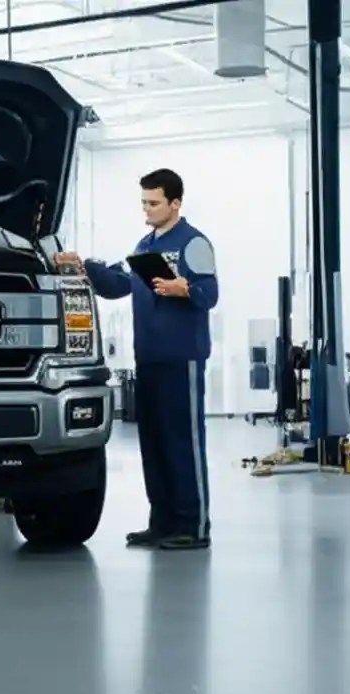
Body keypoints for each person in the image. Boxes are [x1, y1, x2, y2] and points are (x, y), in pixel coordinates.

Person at [56, 168, 218, 550]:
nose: (146, 209)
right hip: (149, 358)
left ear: (175, 203)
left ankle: (194, 527)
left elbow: (209, 294)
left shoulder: (194, 242)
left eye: (154, 203)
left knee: (183, 444)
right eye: (143, 202)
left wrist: (185, 288)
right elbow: (120, 286)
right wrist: (86, 268)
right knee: (155, 444)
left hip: (182, 358)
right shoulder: (145, 246)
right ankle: (162, 522)